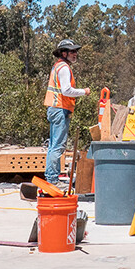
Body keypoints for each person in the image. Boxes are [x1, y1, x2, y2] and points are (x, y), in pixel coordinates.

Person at [44, 39, 89, 188]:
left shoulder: (59, 66)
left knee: (54, 145)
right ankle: (52, 180)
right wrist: (84, 92)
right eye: (72, 52)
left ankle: (52, 177)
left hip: (56, 108)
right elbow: (66, 90)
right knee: (57, 146)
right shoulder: (63, 68)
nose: (75, 54)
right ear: (64, 53)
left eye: (76, 51)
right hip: (59, 109)